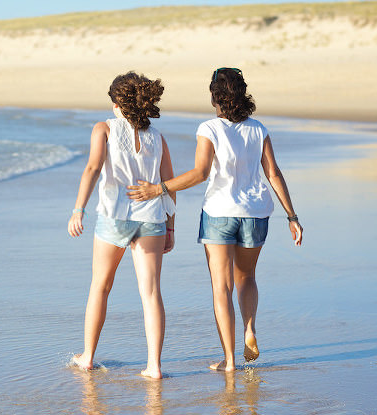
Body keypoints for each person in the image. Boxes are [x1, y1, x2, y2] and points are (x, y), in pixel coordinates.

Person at [127, 67, 303, 372]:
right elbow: (272, 173)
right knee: (246, 276)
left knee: (221, 288)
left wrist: (159, 188)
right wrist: (292, 215)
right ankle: (250, 329)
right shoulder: (258, 128)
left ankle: (231, 360)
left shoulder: (209, 128)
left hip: (219, 213)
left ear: (214, 97)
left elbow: (201, 173)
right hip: (255, 213)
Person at [68, 71, 176, 380]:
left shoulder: (104, 128)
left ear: (117, 102)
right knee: (151, 293)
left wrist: (78, 210)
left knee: (100, 286)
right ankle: (154, 366)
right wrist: (171, 227)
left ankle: (88, 357)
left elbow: (92, 167)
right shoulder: (159, 137)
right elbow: (169, 186)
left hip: (115, 217)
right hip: (152, 218)